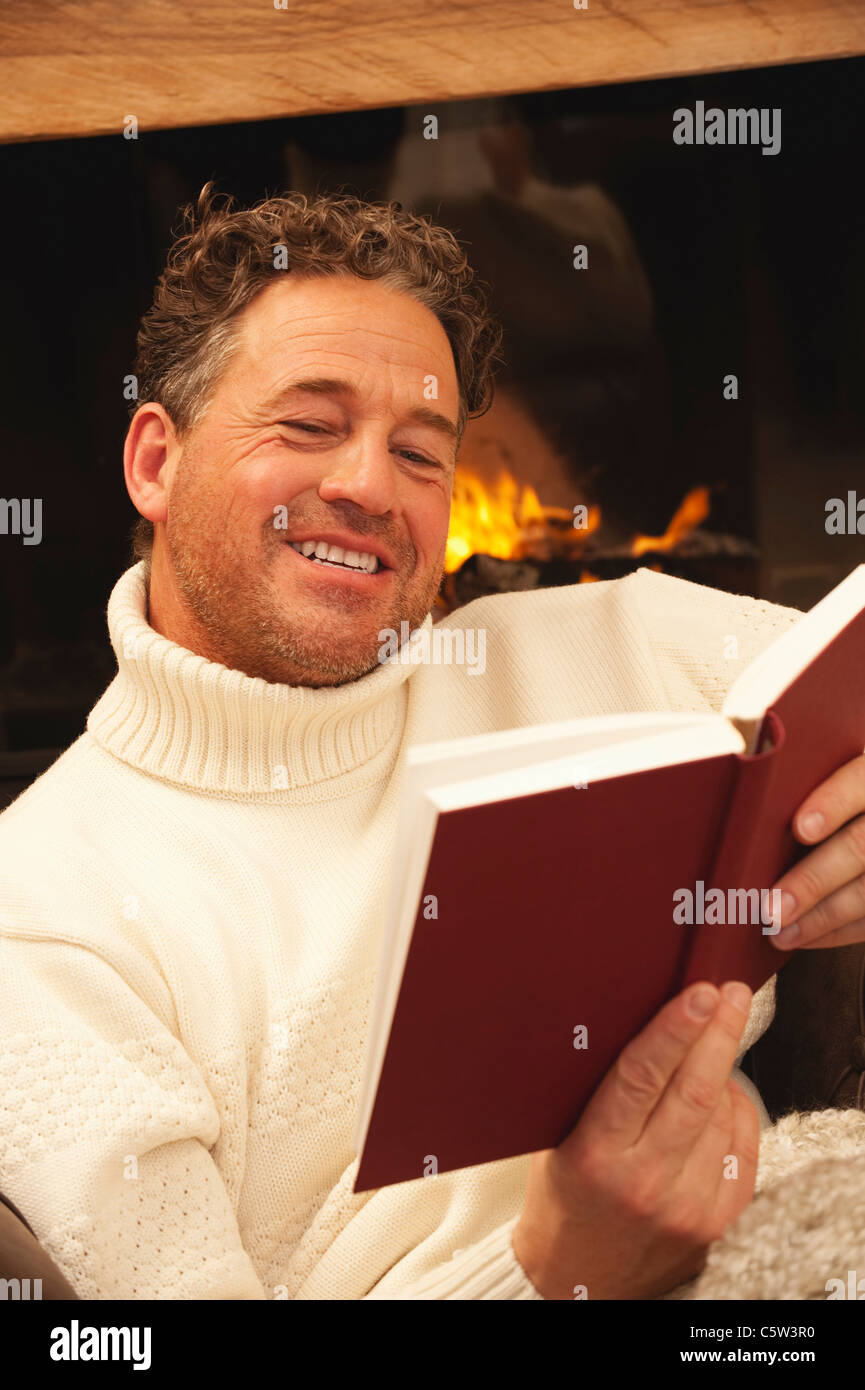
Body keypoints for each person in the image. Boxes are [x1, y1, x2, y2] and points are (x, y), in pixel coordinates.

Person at [0, 186, 863, 1301]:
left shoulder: (617, 641)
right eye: (310, 424)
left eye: (420, 453)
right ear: (155, 461)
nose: (367, 486)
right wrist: (560, 1271)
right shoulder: (41, 914)